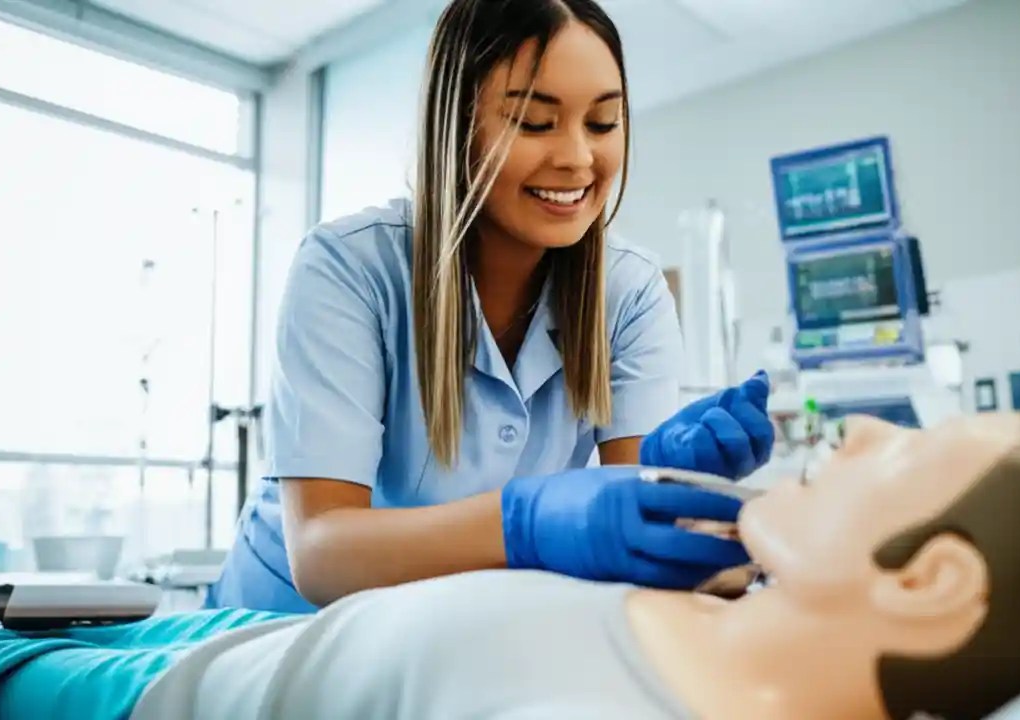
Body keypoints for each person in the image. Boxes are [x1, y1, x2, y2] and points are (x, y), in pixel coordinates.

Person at [0, 413, 1020, 720]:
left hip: (174, 699)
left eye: (912, 448)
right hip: (242, 630)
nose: (853, 429)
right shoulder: (730, 601)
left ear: (929, 582)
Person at [205, 0, 776, 614]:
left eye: (603, 122)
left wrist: (682, 502)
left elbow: (648, 552)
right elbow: (322, 555)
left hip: (448, 629)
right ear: (456, 127)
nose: (578, 157)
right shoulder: (349, 267)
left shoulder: (630, 294)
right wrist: (524, 523)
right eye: (534, 122)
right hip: (278, 624)